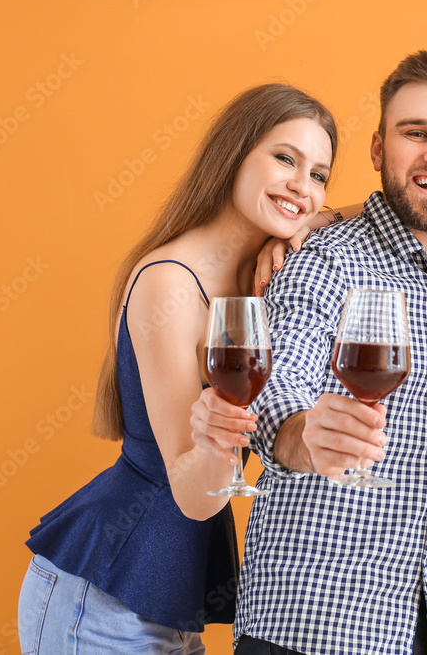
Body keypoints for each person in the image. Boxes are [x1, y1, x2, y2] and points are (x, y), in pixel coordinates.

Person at [189, 49, 427, 655]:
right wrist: (308, 436)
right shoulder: (324, 257)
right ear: (379, 151)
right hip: (312, 628)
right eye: (416, 133)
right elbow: (275, 400)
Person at [18, 83, 338, 653]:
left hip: (166, 606)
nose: (301, 186)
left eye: (318, 174)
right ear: (234, 154)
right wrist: (222, 436)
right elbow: (192, 491)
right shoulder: (170, 281)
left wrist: (317, 220)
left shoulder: (258, 277)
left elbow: (351, 215)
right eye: (285, 159)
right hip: (102, 603)